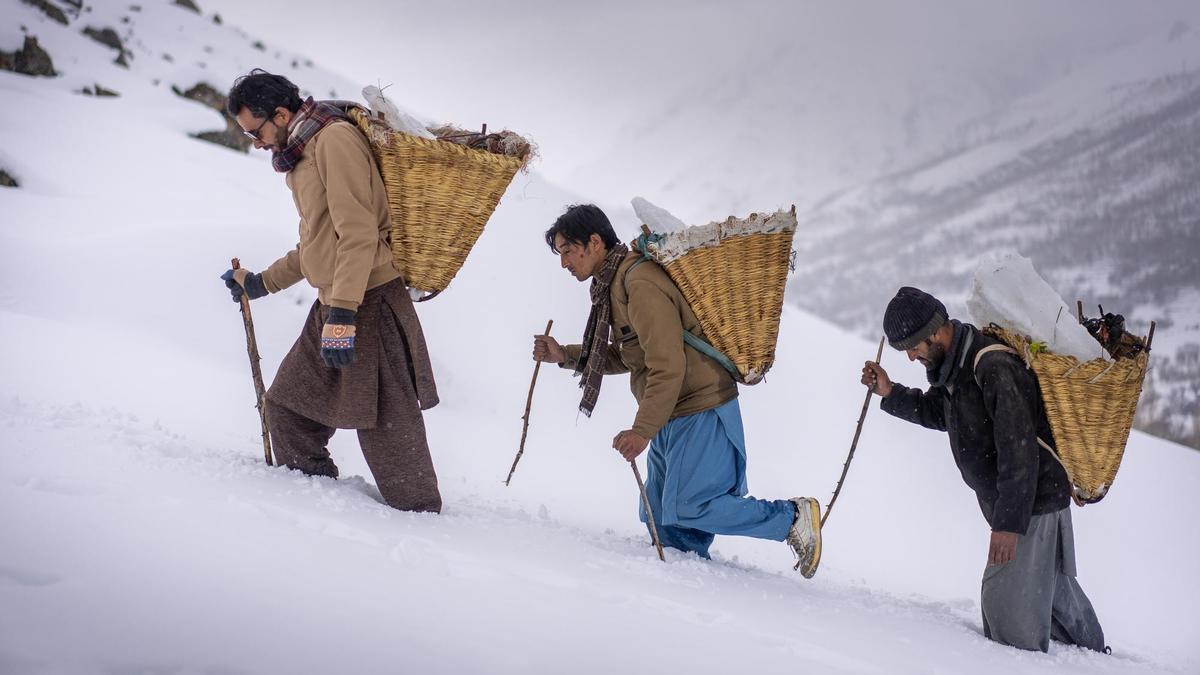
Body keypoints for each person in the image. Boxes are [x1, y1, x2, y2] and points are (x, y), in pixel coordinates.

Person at [531, 204, 822, 576]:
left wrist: (641, 431)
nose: (564, 263)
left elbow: (668, 365)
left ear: (594, 241)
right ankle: (686, 591)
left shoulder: (639, 283)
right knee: (660, 516)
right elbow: (633, 356)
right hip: (672, 410)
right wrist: (565, 356)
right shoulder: (614, 284)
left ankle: (791, 518)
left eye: (567, 251)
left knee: (691, 506)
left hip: (699, 406)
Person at [219, 69, 441, 513]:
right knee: (288, 410)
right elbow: (318, 244)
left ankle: (424, 531)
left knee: (391, 438)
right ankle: (323, 511)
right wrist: (262, 282)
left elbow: (358, 235)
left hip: (369, 303)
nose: (255, 142)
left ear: (280, 114)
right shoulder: (302, 155)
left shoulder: (334, 142)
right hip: (335, 304)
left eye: (255, 131)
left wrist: (343, 316)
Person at [861, 286, 1106, 652]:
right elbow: (940, 414)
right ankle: (1093, 654)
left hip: (1032, 503)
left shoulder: (992, 367)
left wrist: (1007, 526)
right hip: (1019, 504)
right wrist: (890, 392)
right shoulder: (956, 366)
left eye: (913, 347)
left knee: (1007, 617)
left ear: (934, 333)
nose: (911, 357)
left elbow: (1019, 452)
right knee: (1051, 589)